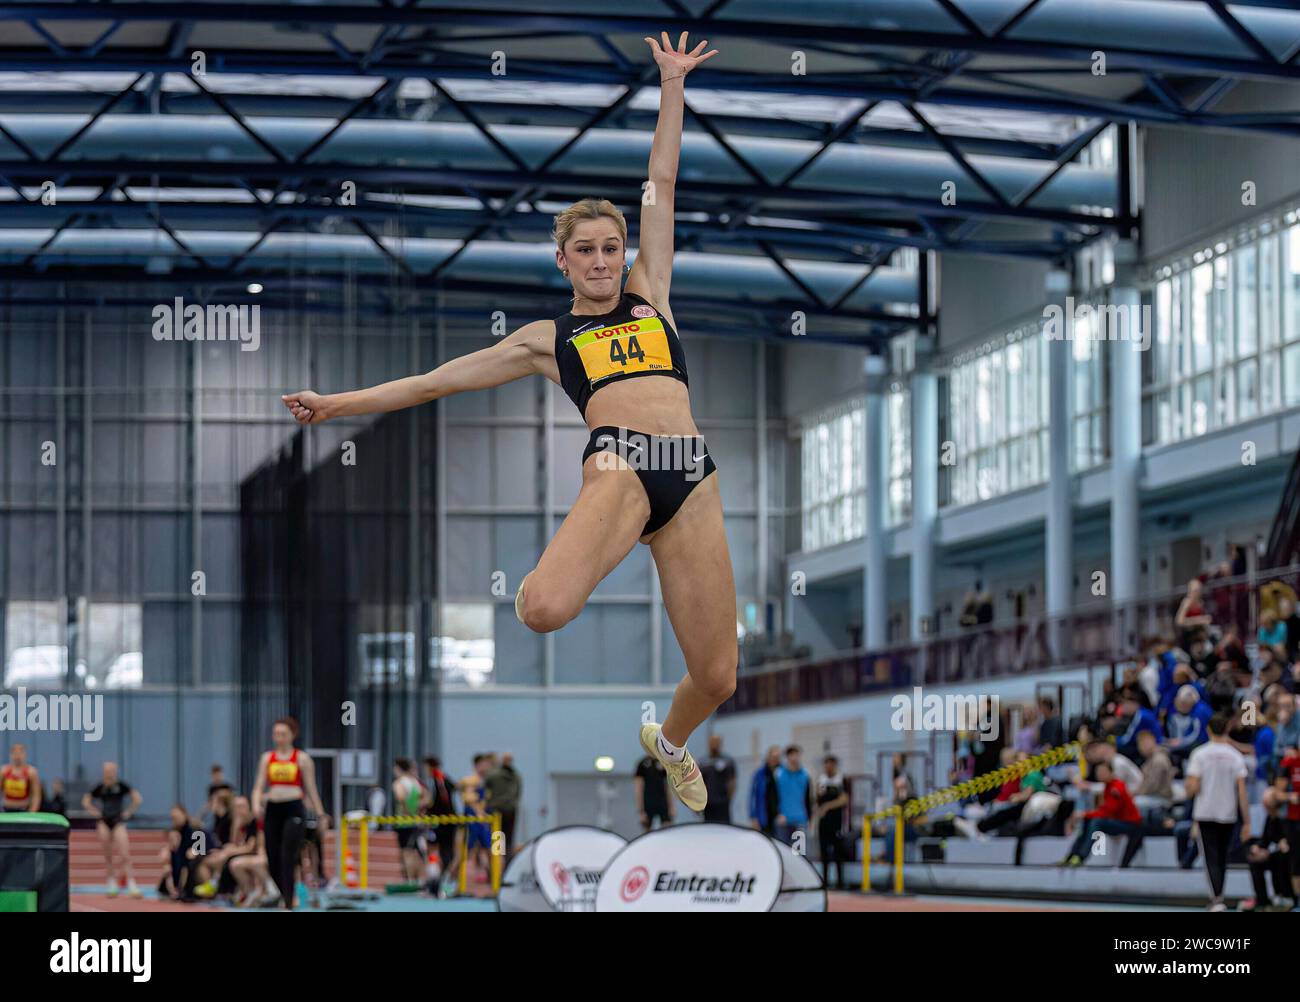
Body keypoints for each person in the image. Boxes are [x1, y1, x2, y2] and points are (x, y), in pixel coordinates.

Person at [281, 31, 729, 817]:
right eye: (584, 250)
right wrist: (336, 404)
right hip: (620, 468)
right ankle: (544, 575)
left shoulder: (651, 291)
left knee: (719, 675)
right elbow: (429, 384)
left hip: (692, 475)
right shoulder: (545, 339)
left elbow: (663, 178)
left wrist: (671, 86)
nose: (600, 260)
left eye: (610, 248)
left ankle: (668, 744)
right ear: (562, 261)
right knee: (546, 610)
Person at [250, 716, 329, 909]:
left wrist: (320, 814)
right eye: (276, 734)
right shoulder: (267, 758)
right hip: (273, 808)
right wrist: (255, 804)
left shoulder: (302, 759)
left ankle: (288, 901)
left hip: (293, 807)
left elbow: (311, 789)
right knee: (272, 855)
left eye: (283, 734)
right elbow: (258, 787)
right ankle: (284, 893)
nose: (279, 738)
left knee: (288, 855)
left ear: (292, 735)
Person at [1185, 712, 1252, 911]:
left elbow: (1193, 786)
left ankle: (1216, 898)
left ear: (1208, 730)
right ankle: (1219, 895)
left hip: (1206, 811)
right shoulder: (1235, 756)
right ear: (1227, 729)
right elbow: (1241, 790)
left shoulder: (1199, 754)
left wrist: (1190, 789)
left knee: (1211, 856)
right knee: (1222, 856)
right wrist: (1247, 820)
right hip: (1227, 812)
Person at [1059, 759, 1144, 868]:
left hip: (1131, 825)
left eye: (1103, 772)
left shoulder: (1116, 787)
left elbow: (1108, 811)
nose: (1100, 774)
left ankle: (1081, 856)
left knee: (1096, 822)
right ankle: (1071, 855)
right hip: (1119, 821)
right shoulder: (1107, 787)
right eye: (1098, 772)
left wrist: (1084, 814)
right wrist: (1086, 816)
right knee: (1088, 821)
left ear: (1111, 773)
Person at [83, 761, 142, 897]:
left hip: (118, 821)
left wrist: (128, 812)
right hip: (104, 821)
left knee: (125, 854)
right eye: (107, 770)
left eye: (112, 770)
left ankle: (132, 883)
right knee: (108, 855)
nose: (109, 773)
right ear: (104, 772)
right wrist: (95, 812)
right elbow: (86, 801)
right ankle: (111, 883)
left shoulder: (121, 786)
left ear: (115, 771)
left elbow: (137, 799)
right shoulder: (100, 787)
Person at [814, 755, 851, 889]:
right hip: (823, 822)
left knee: (837, 852)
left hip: (837, 822)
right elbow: (818, 798)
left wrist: (828, 806)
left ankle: (840, 882)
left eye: (831, 764)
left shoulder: (841, 780)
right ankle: (824, 881)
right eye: (826, 764)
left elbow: (844, 799)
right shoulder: (821, 780)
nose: (828, 767)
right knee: (824, 853)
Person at [392, 758, 428, 882]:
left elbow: (400, 797)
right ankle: (417, 879)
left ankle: (409, 880)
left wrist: (407, 810)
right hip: (416, 820)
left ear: (398, 768)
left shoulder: (399, 783)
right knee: (414, 852)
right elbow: (427, 799)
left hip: (404, 821)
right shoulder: (416, 783)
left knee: (406, 852)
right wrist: (418, 810)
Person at [484, 752, 522, 856]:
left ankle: (498, 862)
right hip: (510, 809)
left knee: (498, 836)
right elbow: (518, 792)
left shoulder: (493, 775)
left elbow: (485, 789)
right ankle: (505, 861)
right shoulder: (516, 775)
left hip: (497, 809)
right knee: (508, 838)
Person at [773, 745, 812, 846]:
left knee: (799, 853)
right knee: (783, 851)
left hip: (800, 820)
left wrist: (809, 817)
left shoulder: (805, 775)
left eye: (796, 755)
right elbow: (772, 797)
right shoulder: (778, 773)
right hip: (783, 819)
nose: (794, 758)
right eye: (792, 755)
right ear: (787, 757)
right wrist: (777, 813)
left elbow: (808, 798)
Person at [698, 734, 736, 823]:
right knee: (709, 829)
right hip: (708, 804)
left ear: (720, 744)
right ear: (709, 744)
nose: (714, 745)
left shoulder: (728, 761)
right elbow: (698, 783)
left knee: (724, 828)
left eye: (717, 742)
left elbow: (732, 782)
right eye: (712, 742)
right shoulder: (702, 762)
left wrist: (728, 798)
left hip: (722, 802)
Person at [635, 750, 674, 832]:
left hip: (662, 802)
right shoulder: (642, 764)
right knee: (647, 831)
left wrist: (671, 807)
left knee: (667, 829)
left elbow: (668, 786)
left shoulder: (663, 763)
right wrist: (641, 811)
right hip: (648, 802)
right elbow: (638, 789)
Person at [748, 745, 781, 835]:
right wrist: (754, 817)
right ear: (768, 757)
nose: (774, 759)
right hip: (763, 817)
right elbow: (753, 796)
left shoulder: (783, 773)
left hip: (779, 818)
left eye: (777, 757)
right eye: (773, 757)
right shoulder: (760, 774)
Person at [1, 744, 40, 812]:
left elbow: (36, 795)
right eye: (15, 754)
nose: (17, 756)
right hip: (6, 808)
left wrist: (33, 811)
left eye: (20, 753)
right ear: (11, 755)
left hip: (24, 809)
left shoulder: (31, 772)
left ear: (25, 755)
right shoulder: (4, 771)